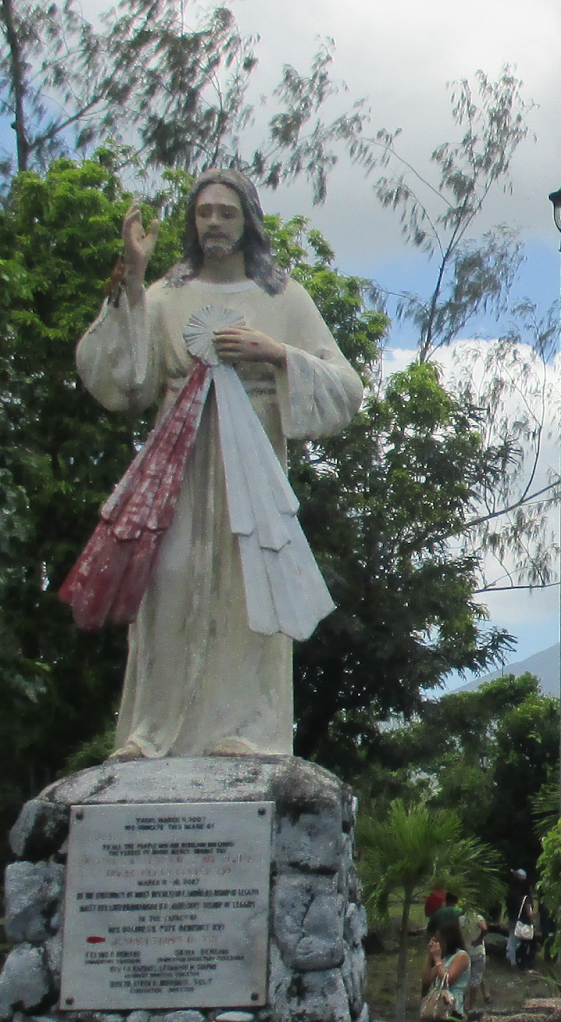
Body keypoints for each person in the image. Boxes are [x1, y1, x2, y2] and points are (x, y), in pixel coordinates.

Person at [63, 167, 363, 759]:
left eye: (226, 213)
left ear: (247, 220)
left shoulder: (281, 297)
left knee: (246, 585)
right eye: (204, 213)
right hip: (178, 462)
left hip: (249, 463)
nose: (215, 224)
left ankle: (248, 727)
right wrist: (133, 278)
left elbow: (345, 388)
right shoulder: (168, 294)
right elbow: (125, 381)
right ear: (191, 223)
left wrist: (276, 353)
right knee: (168, 581)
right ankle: (152, 728)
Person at [421, 917, 471, 1022]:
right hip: (439, 1010)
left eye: (440, 940)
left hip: (453, 1009)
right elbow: (426, 979)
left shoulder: (461, 956)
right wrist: (429, 956)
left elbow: (448, 980)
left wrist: (437, 960)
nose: (439, 944)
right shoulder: (443, 959)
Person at [460, 900, 491, 1005]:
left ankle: (461, 1003)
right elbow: (485, 928)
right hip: (478, 952)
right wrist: (478, 940)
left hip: (465, 952)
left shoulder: (460, 920)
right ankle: (471, 1005)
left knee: (463, 979)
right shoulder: (478, 918)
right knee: (476, 978)